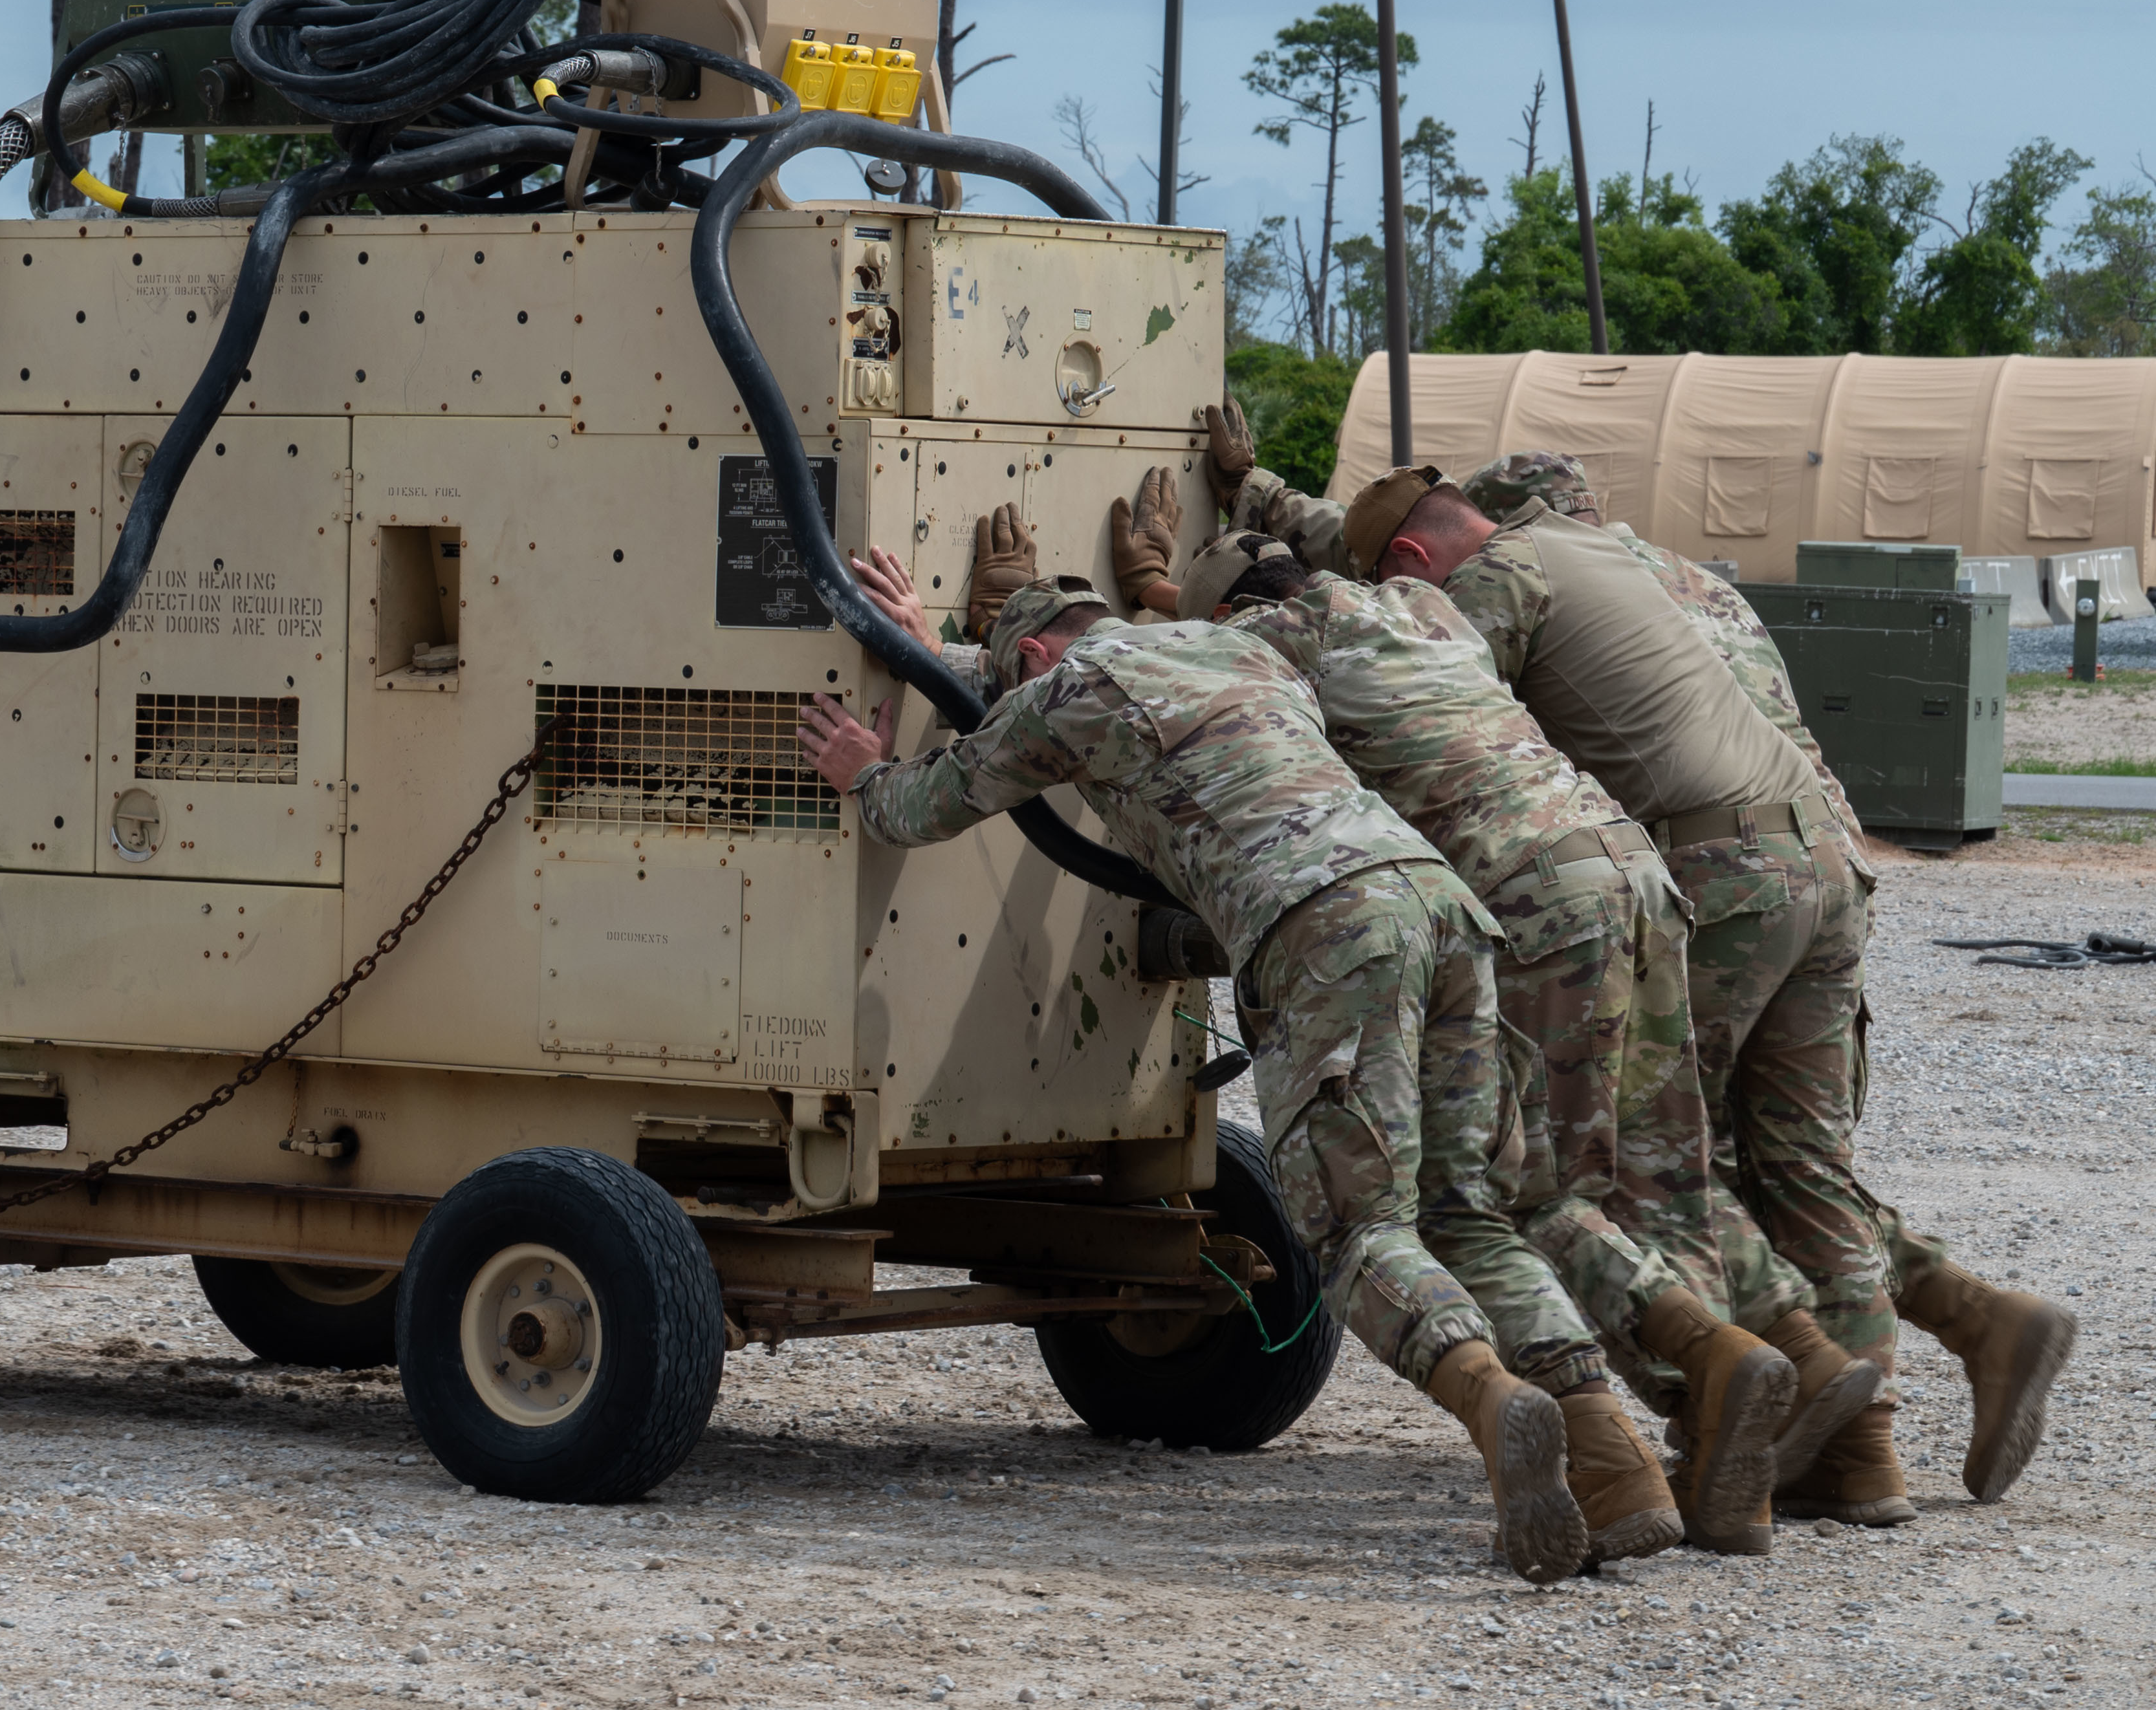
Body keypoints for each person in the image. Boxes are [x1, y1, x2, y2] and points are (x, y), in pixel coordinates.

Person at [796, 575, 1598, 1585]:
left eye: (1011, 675)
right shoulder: (1235, 651)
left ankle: (1492, 1400)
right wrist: (939, 647)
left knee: (1359, 1229)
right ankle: (1608, 1453)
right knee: (1467, 1206)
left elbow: (926, 805)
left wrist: (865, 772)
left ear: (1036, 659)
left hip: (1324, 928)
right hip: (1437, 901)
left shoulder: (1067, 690)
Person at [1173, 530, 1880, 1559]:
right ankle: (1745, 1405)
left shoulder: (1272, 643)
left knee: (1495, 1200)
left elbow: (1194, 711)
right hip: (1634, 874)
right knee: (1658, 1178)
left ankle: (1624, 1446)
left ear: (1235, 609)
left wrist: (1146, 610)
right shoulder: (1424, 609)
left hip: (1525, 900)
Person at [1456, 448, 2078, 1519]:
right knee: (1800, 1163)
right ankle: (1905, 1403)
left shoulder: (1527, 572)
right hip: (1829, 866)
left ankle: (1731, 1417)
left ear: (1505, 522)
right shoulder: (1689, 579)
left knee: (1656, 1164)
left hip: (1709, 876)